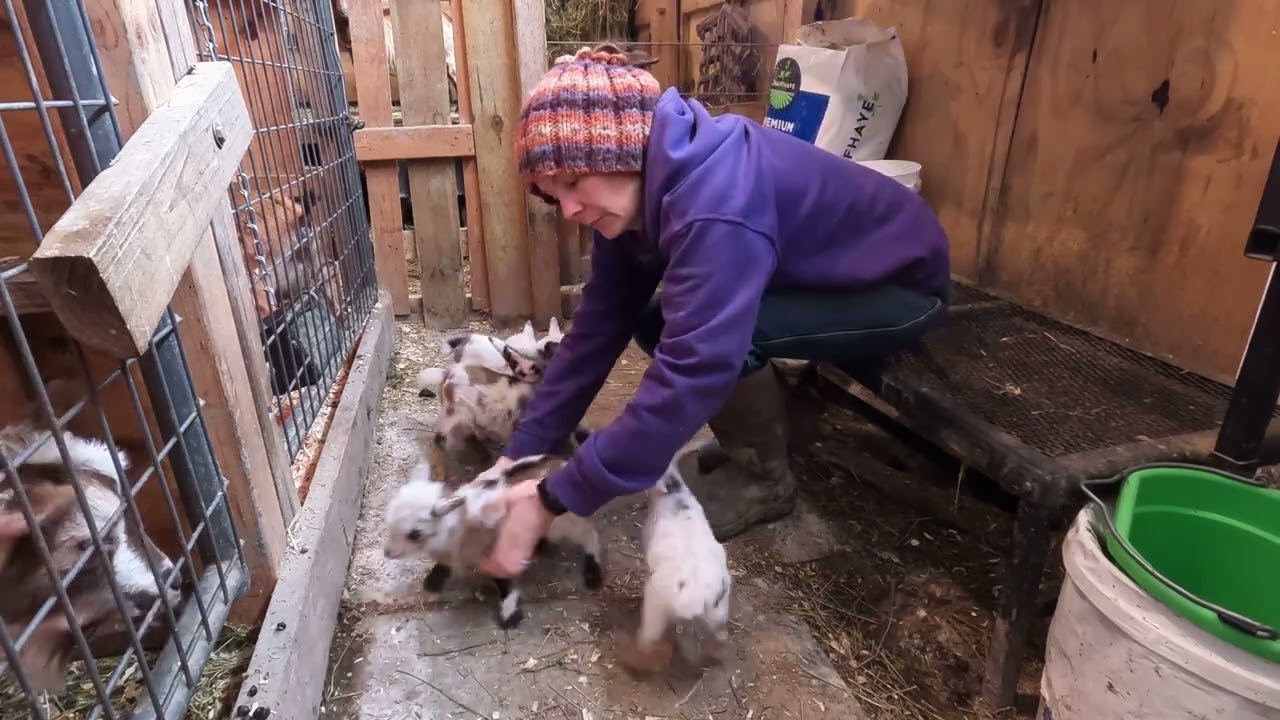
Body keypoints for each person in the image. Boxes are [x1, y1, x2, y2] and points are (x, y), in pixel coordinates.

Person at [476, 44, 950, 579]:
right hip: (825, 278)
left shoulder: (715, 200)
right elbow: (595, 330)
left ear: (620, 151)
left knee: (726, 340)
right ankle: (773, 432)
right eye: (549, 195)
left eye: (571, 182)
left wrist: (554, 497)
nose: (567, 210)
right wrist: (517, 456)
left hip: (900, 289)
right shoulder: (636, 200)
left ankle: (764, 479)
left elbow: (693, 370)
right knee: (656, 317)